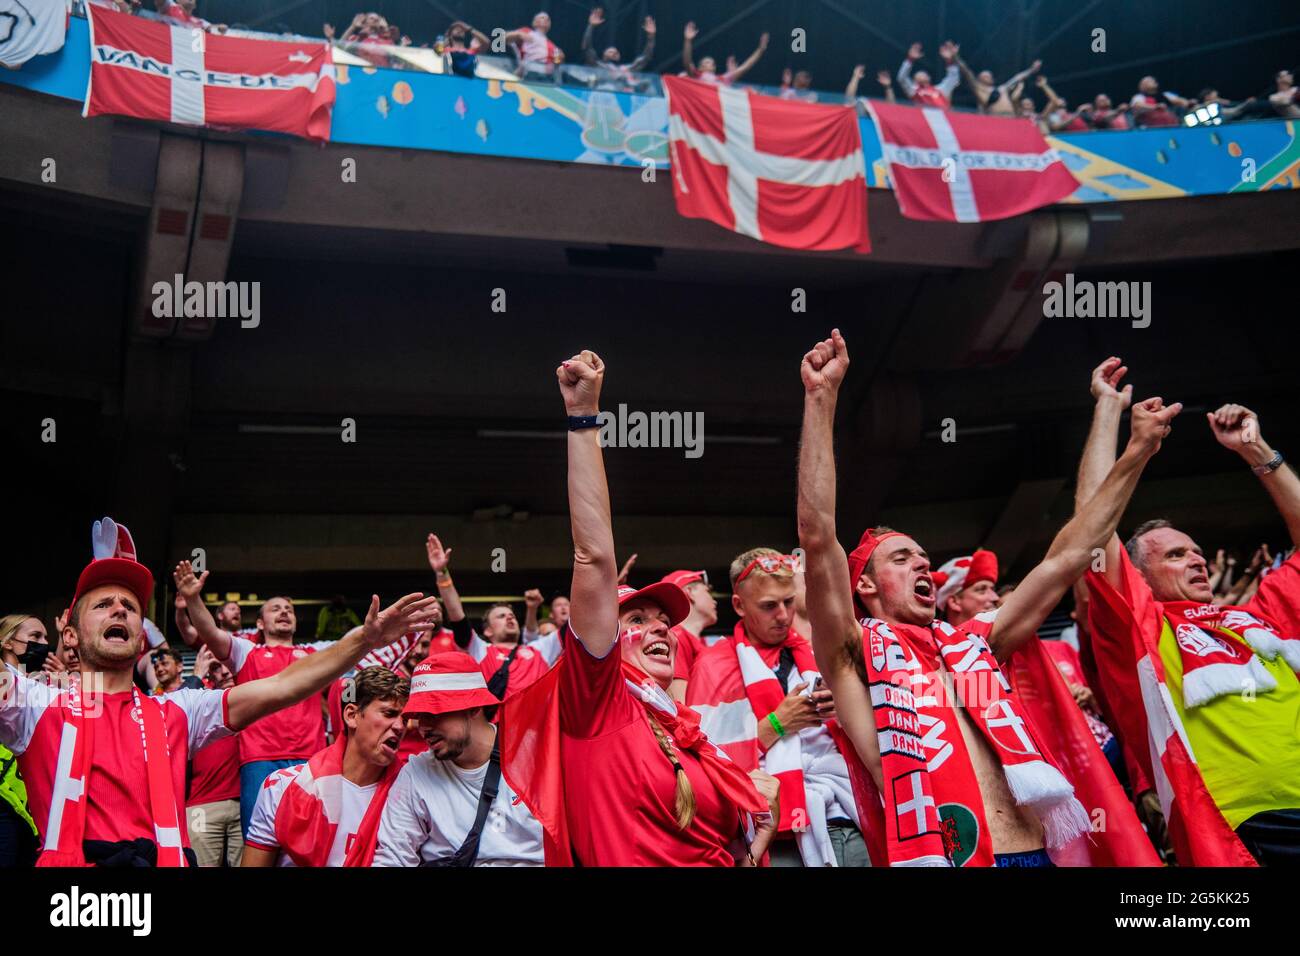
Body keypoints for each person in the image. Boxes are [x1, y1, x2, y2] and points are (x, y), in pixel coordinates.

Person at [796, 331, 1175, 867]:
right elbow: (818, 537)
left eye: (923, 557)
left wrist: (1135, 454)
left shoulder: (977, 642)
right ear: (864, 585)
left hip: (1035, 854)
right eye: (901, 559)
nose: (922, 564)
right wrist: (821, 399)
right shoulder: (850, 653)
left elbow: (1067, 558)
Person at [0, 517, 439, 867]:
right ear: (71, 635)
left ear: (140, 638)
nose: (119, 609)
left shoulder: (180, 711)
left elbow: (285, 685)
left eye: (130, 607)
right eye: (103, 604)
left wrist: (363, 640)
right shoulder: (34, 704)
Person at [501, 348, 780, 866]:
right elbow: (594, 557)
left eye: (663, 621)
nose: (660, 629)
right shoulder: (597, 701)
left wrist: (757, 817)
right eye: (637, 620)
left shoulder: (684, 727)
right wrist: (584, 418)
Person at [1076, 356, 1300, 866]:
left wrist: (1256, 450)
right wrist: (1114, 420)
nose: (1196, 559)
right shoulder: (1141, 628)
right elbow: (1089, 530)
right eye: (1175, 554)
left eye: (1196, 550)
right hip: (1243, 823)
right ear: (1140, 577)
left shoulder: (1259, 618)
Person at [933, 550, 1159, 865]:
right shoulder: (944, 656)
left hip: (1086, 766)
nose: (993, 598)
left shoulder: (1042, 646)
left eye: (994, 590)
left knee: (1110, 845)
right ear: (953, 601)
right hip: (1021, 809)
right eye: (981, 589)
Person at [172, 561, 408, 837]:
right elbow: (210, 633)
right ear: (260, 622)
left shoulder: (315, 653)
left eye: (289, 610)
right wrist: (192, 598)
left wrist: (374, 632)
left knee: (313, 841)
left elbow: (350, 642)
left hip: (310, 759)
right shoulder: (246, 652)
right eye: (275, 609)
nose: (284, 612)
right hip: (259, 759)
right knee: (261, 841)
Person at [687, 548, 865, 866]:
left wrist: (843, 708)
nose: (784, 616)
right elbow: (704, 761)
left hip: (847, 812)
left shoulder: (817, 652)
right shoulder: (712, 666)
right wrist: (778, 723)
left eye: (788, 601)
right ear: (739, 606)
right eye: (769, 606)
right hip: (776, 830)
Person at [375, 653, 544, 866]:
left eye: (434, 713)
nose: (424, 727)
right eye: (419, 716)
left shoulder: (534, 755)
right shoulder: (417, 773)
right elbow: (393, 856)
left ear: (473, 707)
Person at [243, 668, 411, 867]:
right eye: (389, 713)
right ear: (352, 715)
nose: (401, 727)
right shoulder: (282, 787)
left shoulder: (408, 799)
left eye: (405, 718)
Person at [424, 534, 562, 702]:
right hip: (495, 727)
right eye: (502, 616)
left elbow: (575, 625)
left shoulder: (541, 649)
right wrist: (442, 573)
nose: (510, 618)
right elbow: (457, 615)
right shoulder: (480, 649)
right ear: (488, 630)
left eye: (511, 616)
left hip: (536, 727)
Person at [186, 654, 243, 867]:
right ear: (209, 673)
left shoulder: (254, 701)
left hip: (243, 805)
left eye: (230, 666)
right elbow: (172, 713)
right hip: (201, 805)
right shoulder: (197, 701)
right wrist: (196, 675)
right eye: (218, 667)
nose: (226, 672)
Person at [0, 615, 45, 867]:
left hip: (28, 810)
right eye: (35, 637)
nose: (43, 644)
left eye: (46, 637)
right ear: (7, 642)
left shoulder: (42, 685)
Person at [662, 569, 718, 700]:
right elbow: (679, 706)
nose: (715, 600)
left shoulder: (690, 640)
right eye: (707, 591)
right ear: (690, 592)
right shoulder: (676, 638)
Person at [580, 8, 655, 91]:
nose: (614, 53)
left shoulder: (627, 69)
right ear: (603, 55)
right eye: (610, 51)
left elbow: (646, 58)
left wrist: (651, 37)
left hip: (624, 97)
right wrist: (591, 26)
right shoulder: (598, 65)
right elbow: (587, 49)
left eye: (616, 53)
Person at [954, 46, 1042, 115]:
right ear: (979, 79)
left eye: (990, 76)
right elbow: (967, 72)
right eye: (985, 76)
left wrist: (1031, 70)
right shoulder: (980, 90)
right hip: (996, 121)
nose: (989, 77)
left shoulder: (1001, 89)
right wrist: (956, 57)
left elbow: (1017, 78)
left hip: (1012, 120)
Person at [682, 21, 768, 87]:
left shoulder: (723, 79)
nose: (712, 64)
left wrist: (760, 50)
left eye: (713, 63)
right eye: (707, 62)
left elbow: (745, 67)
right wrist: (688, 41)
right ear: (700, 67)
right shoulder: (696, 75)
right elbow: (687, 62)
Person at [897, 41, 960, 108]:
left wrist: (949, 60)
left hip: (943, 115)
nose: (923, 74)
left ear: (929, 78)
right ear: (914, 80)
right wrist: (910, 59)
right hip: (924, 116)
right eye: (919, 74)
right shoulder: (913, 90)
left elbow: (953, 78)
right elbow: (902, 78)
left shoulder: (940, 90)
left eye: (925, 74)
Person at [505, 12, 564, 80]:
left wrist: (560, 58)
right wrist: (518, 34)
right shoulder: (526, 32)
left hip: (547, 77)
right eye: (541, 17)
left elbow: (557, 62)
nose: (544, 20)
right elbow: (503, 38)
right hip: (529, 72)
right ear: (534, 22)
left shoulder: (553, 46)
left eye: (547, 19)